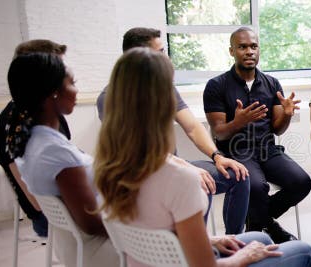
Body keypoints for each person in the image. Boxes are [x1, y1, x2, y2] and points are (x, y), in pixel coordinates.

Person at [95, 48, 311, 267]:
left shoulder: (104, 170)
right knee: (303, 251)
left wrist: (212, 239)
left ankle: (261, 221)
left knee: (262, 238)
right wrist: (244, 257)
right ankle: (261, 223)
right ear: (163, 102)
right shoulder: (181, 179)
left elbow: (160, 235)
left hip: (163, 259)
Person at [96, 27, 249, 235]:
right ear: (139, 58)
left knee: (238, 174)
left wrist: (217, 156)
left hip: (174, 168)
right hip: (145, 175)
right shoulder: (111, 98)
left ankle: (233, 241)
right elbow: (137, 152)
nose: (166, 59)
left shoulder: (163, 86)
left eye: (164, 51)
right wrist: (187, 170)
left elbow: (193, 127)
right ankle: (191, 249)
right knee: (198, 184)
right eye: (159, 53)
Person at [7, 53, 119, 267]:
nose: (77, 90)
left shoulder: (33, 140)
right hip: (96, 248)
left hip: (70, 245)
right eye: (72, 83)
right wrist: (140, 228)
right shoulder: (55, 152)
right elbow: (90, 223)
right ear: (53, 93)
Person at [204, 26, 311, 243]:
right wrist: (239, 122)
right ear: (232, 51)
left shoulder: (272, 83)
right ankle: (270, 226)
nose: (249, 51)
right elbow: (219, 133)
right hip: (236, 152)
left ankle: (258, 222)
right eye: (242, 47)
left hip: (267, 149)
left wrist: (288, 115)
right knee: (255, 186)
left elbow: (277, 128)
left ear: (259, 49)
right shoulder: (216, 86)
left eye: (253, 46)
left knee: (302, 182)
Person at [0, 39, 68, 239]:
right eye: (59, 72)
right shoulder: (13, 125)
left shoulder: (45, 113)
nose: (65, 78)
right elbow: (38, 202)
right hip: (52, 217)